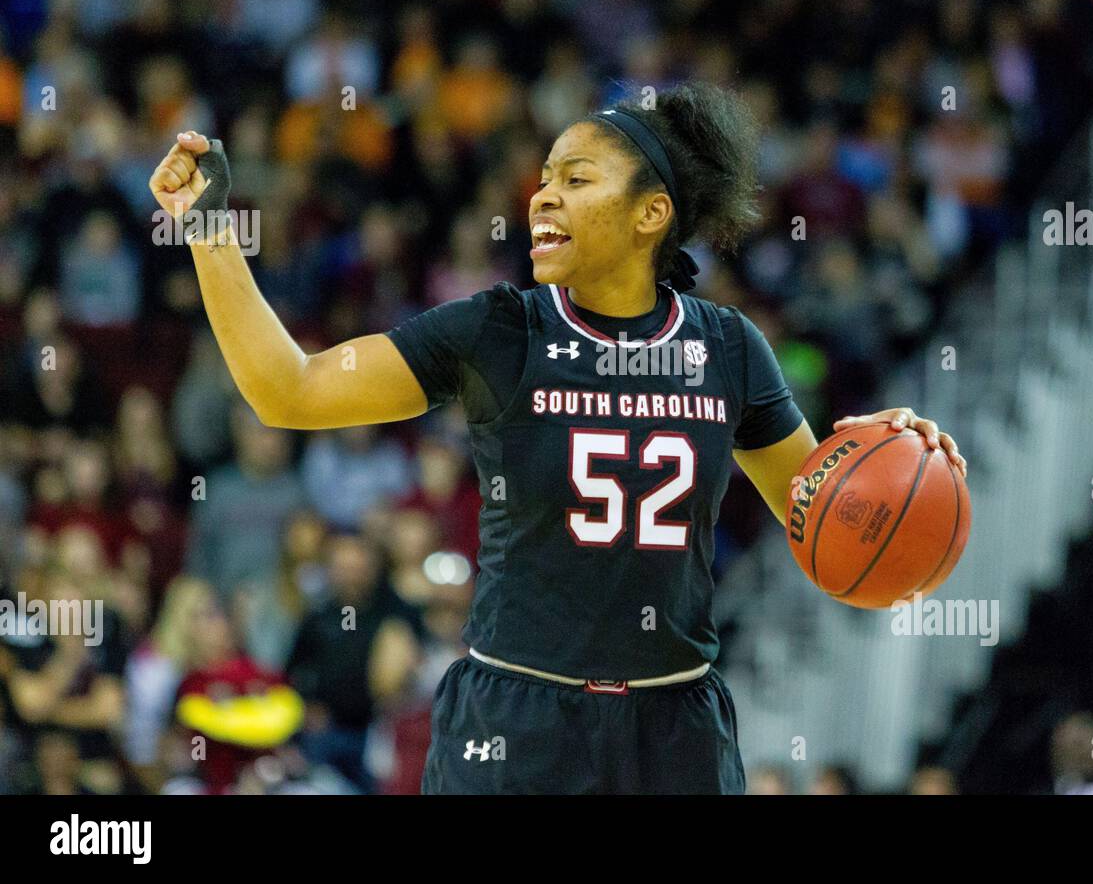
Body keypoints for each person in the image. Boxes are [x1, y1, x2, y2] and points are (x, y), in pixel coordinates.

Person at [148, 81, 966, 794]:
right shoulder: (498, 333)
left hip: (674, 730)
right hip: (514, 722)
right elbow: (288, 392)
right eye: (542, 180)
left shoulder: (730, 349)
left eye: (575, 179)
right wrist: (211, 229)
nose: (541, 197)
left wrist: (889, 474)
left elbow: (825, 532)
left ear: (653, 214)